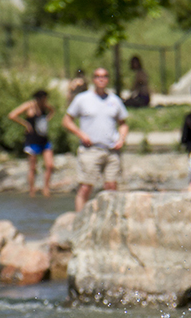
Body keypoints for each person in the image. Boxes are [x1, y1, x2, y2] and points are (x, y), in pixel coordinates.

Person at [62, 67, 129, 212]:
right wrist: (81, 134)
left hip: (111, 150)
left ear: (108, 79)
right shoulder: (83, 99)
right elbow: (67, 120)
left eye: (104, 76)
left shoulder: (114, 100)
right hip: (90, 149)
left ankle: (111, 217)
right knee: (86, 186)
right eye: (98, 76)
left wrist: (121, 139)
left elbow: (123, 123)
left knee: (111, 186)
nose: (101, 79)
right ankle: (79, 217)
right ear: (93, 79)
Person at [8, 90, 55, 197]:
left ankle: (46, 189)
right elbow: (12, 115)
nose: (44, 101)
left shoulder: (45, 106)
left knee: (50, 165)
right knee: (33, 167)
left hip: (44, 139)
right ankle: (32, 191)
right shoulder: (29, 106)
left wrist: (46, 120)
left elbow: (53, 110)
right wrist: (26, 124)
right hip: (32, 139)